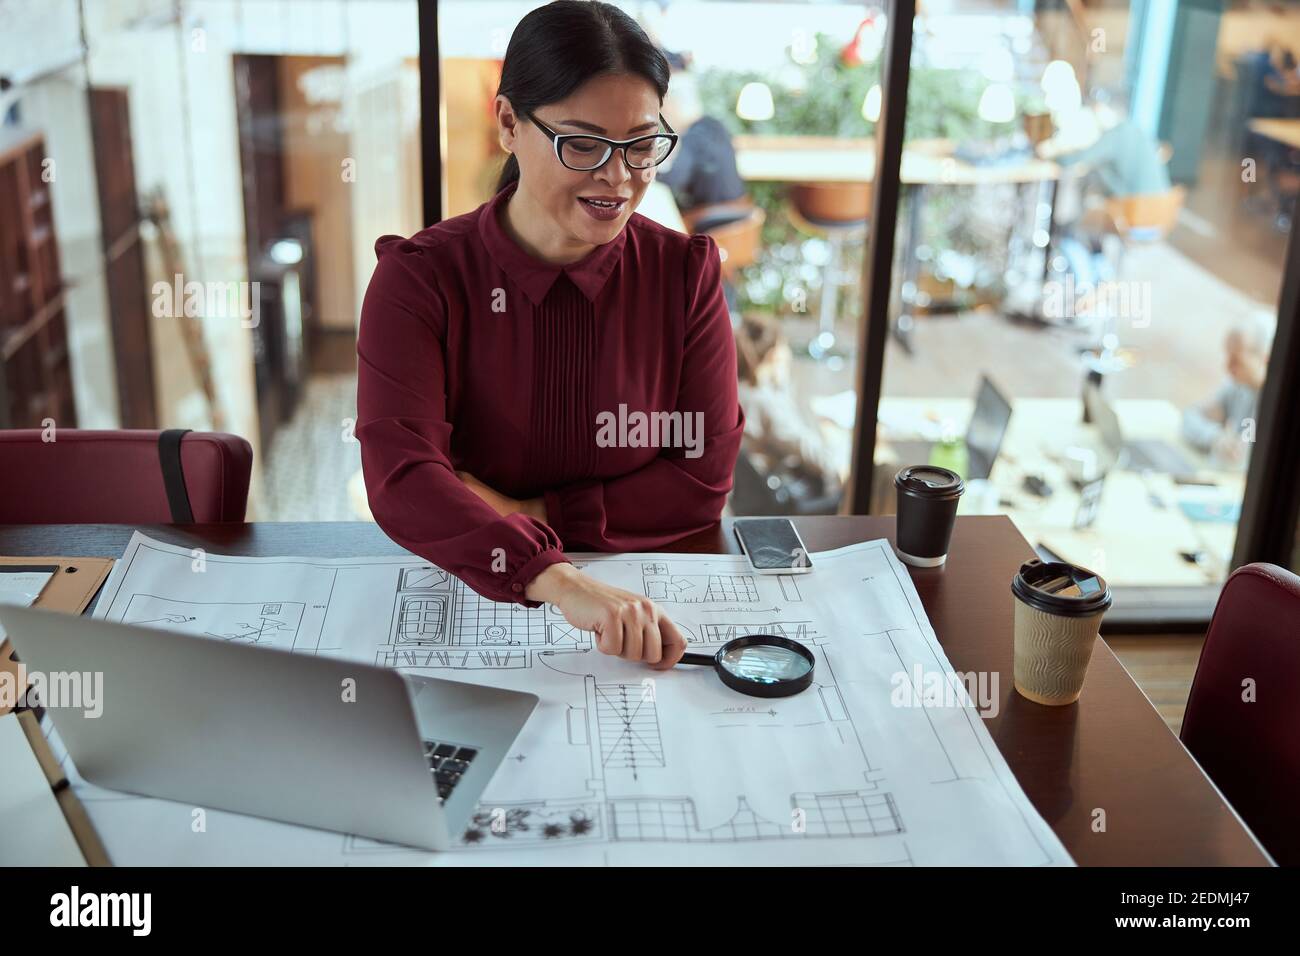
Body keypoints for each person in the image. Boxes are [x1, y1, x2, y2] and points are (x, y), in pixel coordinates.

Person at [356, 1, 744, 670]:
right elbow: (404, 478)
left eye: (642, 144)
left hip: (648, 606)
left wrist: (520, 510)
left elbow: (702, 478)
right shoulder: (420, 280)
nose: (619, 178)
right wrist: (558, 579)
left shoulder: (683, 275)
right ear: (509, 122)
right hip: (471, 602)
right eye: (584, 144)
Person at [734, 314, 844, 504]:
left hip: (748, 496)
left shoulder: (738, 390)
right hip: (776, 493)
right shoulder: (764, 402)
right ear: (774, 354)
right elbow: (813, 453)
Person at [1182, 312, 1274, 468]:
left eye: (1237, 360)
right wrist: (1216, 438)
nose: (1228, 367)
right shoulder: (1237, 386)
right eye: (1228, 356)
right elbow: (1190, 417)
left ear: (1265, 359)